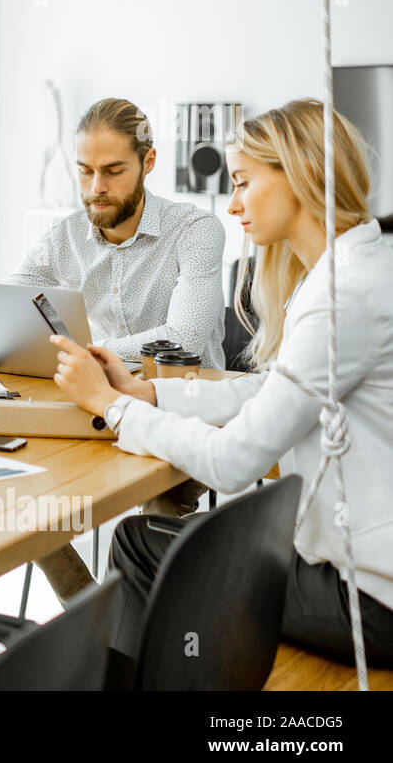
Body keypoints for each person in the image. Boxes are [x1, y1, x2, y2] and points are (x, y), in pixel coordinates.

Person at [50, 99, 393, 666]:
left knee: (137, 544)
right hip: (357, 565)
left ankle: (126, 682)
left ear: (301, 175)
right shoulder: (355, 269)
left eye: (242, 183)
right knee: (165, 540)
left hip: (369, 602)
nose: (232, 205)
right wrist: (147, 393)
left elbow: (233, 463)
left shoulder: (342, 297)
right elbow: (271, 391)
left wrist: (112, 407)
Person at [10, 98, 227, 601]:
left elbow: (187, 335)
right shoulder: (65, 235)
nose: (95, 189)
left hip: (186, 408)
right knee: (24, 499)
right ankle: (95, 617)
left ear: (147, 163)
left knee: (156, 513)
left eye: (112, 171)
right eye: (84, 171)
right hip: (98, 405)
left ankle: (138, 637)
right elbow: (13, 302)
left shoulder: (196, 231)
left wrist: (90, 351)